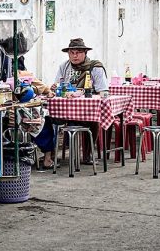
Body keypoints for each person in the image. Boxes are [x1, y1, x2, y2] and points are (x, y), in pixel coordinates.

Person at [34, 38, 109, 169]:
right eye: (72, 53)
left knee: (95, 119)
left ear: (85, 53)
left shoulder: (95, 67)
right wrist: (55, 88)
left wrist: (83, 92)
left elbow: (103, 92)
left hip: (86, 111)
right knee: (43, 117)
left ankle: (88, 154)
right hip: (64, 110)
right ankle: (49, 154)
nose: (75, 56)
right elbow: (58, 85)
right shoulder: (64, 66)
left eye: (78, 52)